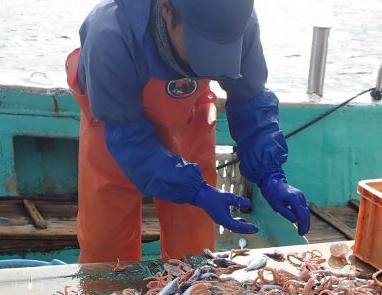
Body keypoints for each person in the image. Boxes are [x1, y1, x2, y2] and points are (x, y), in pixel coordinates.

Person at [66, 0, 311, 263]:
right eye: (201, 47)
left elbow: (249, 99)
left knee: (195, 250)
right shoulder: (110, 35)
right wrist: (196, 190)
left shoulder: (237, 19)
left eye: (221, 52)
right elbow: (127, 137)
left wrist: (271, 173)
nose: (206, 64)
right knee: (107, 250)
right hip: (117, 126)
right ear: (166, 8)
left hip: (188, 116)